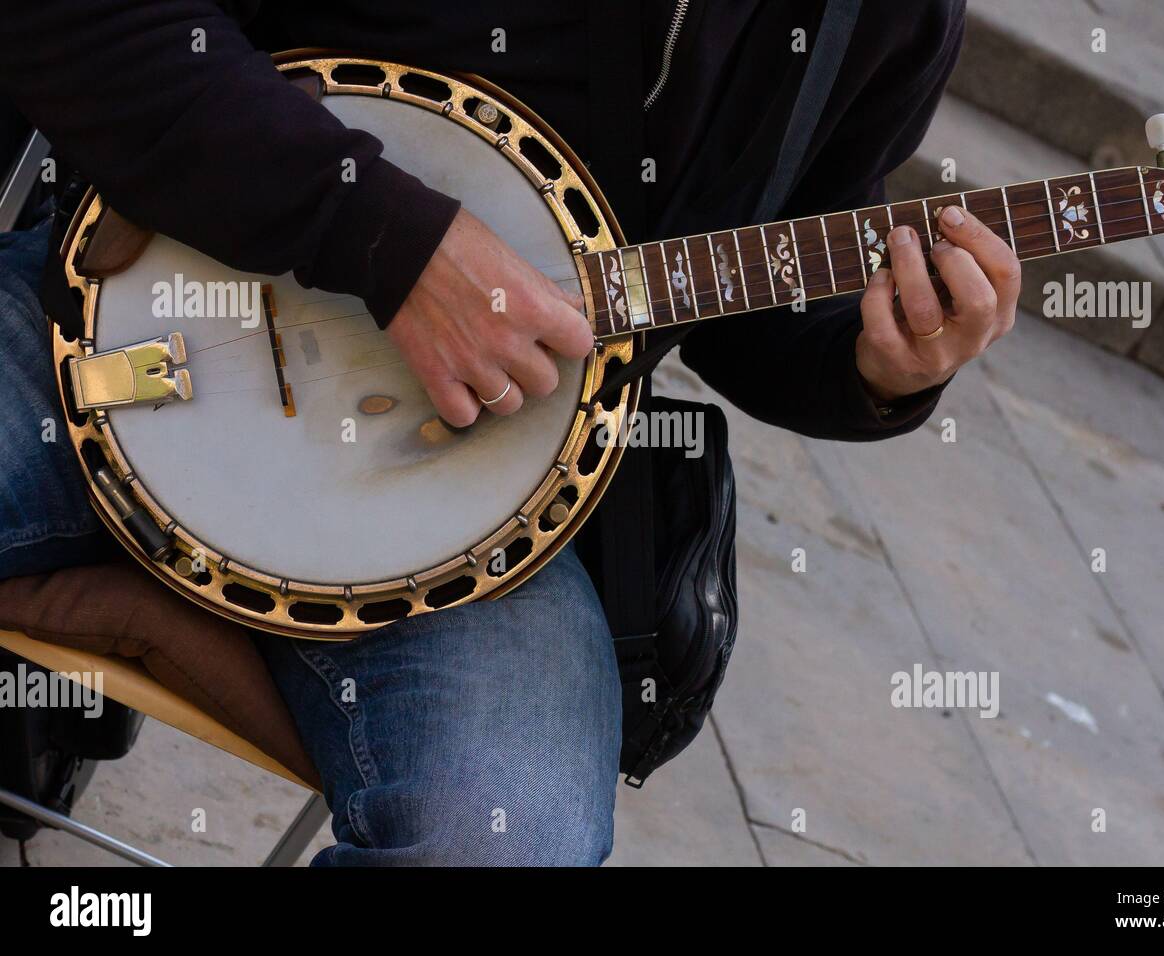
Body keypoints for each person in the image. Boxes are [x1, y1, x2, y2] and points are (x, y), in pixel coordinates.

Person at [0, 0, 1018, 865]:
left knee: (503, 839)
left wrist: (877, 366)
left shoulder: (886, 19)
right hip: (130, 322)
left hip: (472, 521)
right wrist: (390, 241)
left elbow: (764, 293)